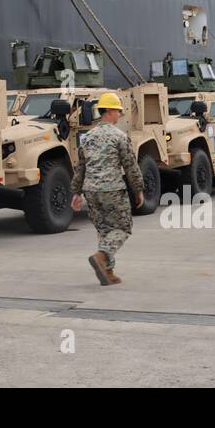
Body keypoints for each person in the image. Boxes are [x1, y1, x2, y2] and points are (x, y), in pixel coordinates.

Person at [69, 91, 144, 286]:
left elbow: (81, 167)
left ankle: (108, 273)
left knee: (104, 231)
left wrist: (76, 193)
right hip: (112, 189)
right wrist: (139, 189)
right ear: (109, 111)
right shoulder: (119, 136)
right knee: (123, 227)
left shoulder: (88, 137)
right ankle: (102, 256)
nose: (120, 115)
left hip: (90, 191)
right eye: (118, 111)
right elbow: (130, 165)